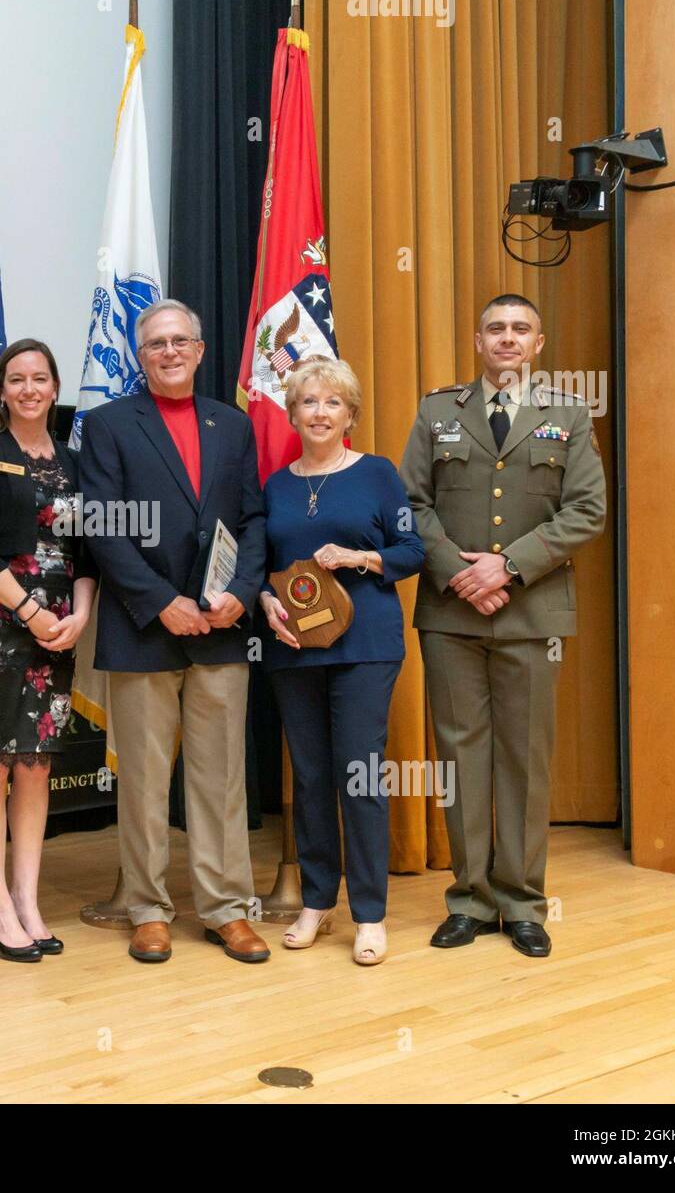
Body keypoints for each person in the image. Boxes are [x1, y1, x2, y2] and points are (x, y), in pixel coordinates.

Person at [398, 293, 606, 958]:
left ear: (538, 343)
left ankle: (521, 902)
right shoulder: (438, 411)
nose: (507, 339)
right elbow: (410, 503)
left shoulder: (568, 413)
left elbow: (586, 510)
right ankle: (470, 899)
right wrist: (461, 574)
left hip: (532, 615)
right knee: (461, 759)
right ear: (479, 340)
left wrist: (508, 567)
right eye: (496, 328)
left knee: (523, 760)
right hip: (451, 613)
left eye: (520, 329)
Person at [78, 298, 269, 965]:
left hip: (220, 626)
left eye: (179, 340)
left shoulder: (233, 425)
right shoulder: (105, 425)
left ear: (199, 348)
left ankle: (225, 909)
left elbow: (252, 521)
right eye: (155, 342)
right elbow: (101, 523)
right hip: (143, 627)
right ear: (140, 353)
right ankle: (149, 908)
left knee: (221, 780)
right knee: (145, 780)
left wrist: (241, 595)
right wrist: (161, 601)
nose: (168, 351)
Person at [259, 357, 424, 966]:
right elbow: (260, 563)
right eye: (308, 402)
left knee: (359, 776)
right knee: (309, 778)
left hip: (365, 648)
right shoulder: (276, 485)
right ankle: (317, 901)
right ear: (293, 414)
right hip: (293, 648)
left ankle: (371, 914)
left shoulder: (378, 475)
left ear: (350, 415)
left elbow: (412, 551)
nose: (320, 413)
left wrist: (358, 558)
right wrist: (265, 600)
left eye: (332, 403)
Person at [0, 339, 98, 963]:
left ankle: (28, 899)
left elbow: (89, 551)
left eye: (40, 378)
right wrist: (31, 610)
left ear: (55, 388)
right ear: (2, 391)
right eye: (17, 379)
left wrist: (80, 614)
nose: (30, 389)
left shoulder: (75, 462)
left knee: (36, 763)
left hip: (60, 628)